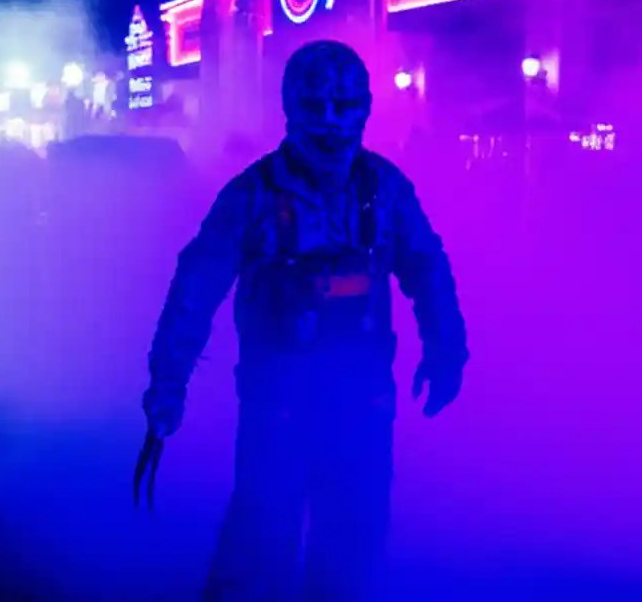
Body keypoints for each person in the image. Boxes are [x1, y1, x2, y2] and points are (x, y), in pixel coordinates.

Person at [144, 40, 469, 600]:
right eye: (314, 106)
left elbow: (427, 268)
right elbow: (194, 290)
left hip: (362, 404)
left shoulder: (385, 191)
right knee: (259, 542)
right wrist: (167, 385)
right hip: (278, 408)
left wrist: (446, 349)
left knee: (352, 545)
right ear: (290, 109)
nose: (330, 123)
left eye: (344, 106)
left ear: (365, 108)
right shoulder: (251, 197)